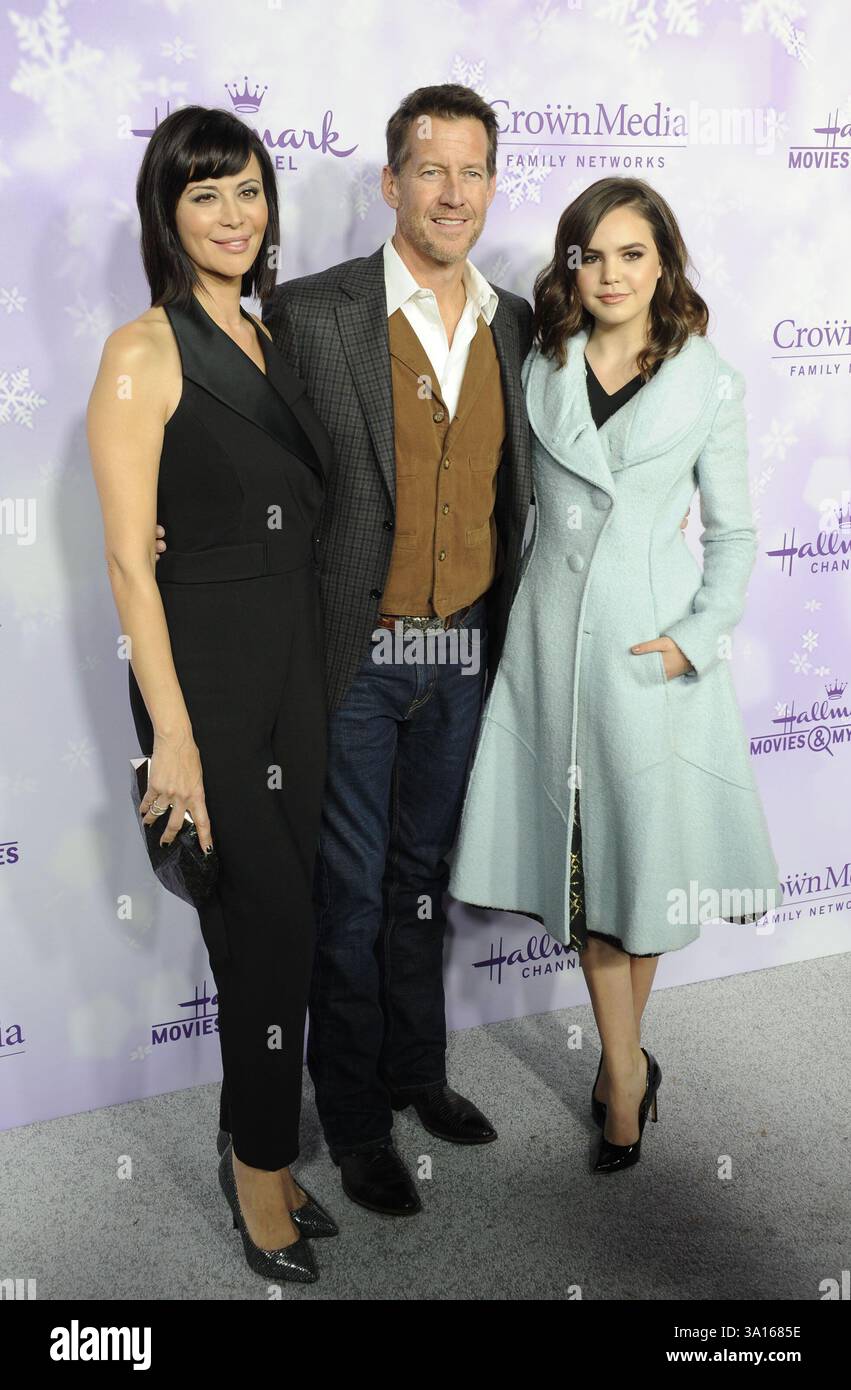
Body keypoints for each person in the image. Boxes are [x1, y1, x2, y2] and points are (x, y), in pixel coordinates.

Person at [157, 84, 535, 1216]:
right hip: (353, 653)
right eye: (430, 170)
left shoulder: (514, 320)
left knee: (424, 882)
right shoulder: (311, 313)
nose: (452, 193)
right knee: (352, 890)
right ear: (390, 183)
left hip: (465, 650)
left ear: (489, 185)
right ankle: (358, 1118)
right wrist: (173, 520)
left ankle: (421, 1075)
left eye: (472, 172)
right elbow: (230, 435)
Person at [447, 177, 784, 1174]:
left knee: (640, 870)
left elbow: (731, 532)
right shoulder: (535, 362)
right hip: (552, 650)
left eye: (629, 253)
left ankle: (619, 1068)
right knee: (588, 872)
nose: (607, 273)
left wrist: (694, 636)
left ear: (663, 263)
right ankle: (626, 1071)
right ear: (568, 269)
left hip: (651, 658)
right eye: (588, 255)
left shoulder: (707, 378)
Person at [87, 105, 337, 1281]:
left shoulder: (270, 334)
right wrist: (171, 739)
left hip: (293, 657)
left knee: (282, 923)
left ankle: (261, 1138)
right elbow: (131, 561)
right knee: (264, 925)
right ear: (166, 214)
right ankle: (259, 1179)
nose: (234, 216)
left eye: (247, 190)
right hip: (209, 684)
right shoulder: (143, 350)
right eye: (205, 196)